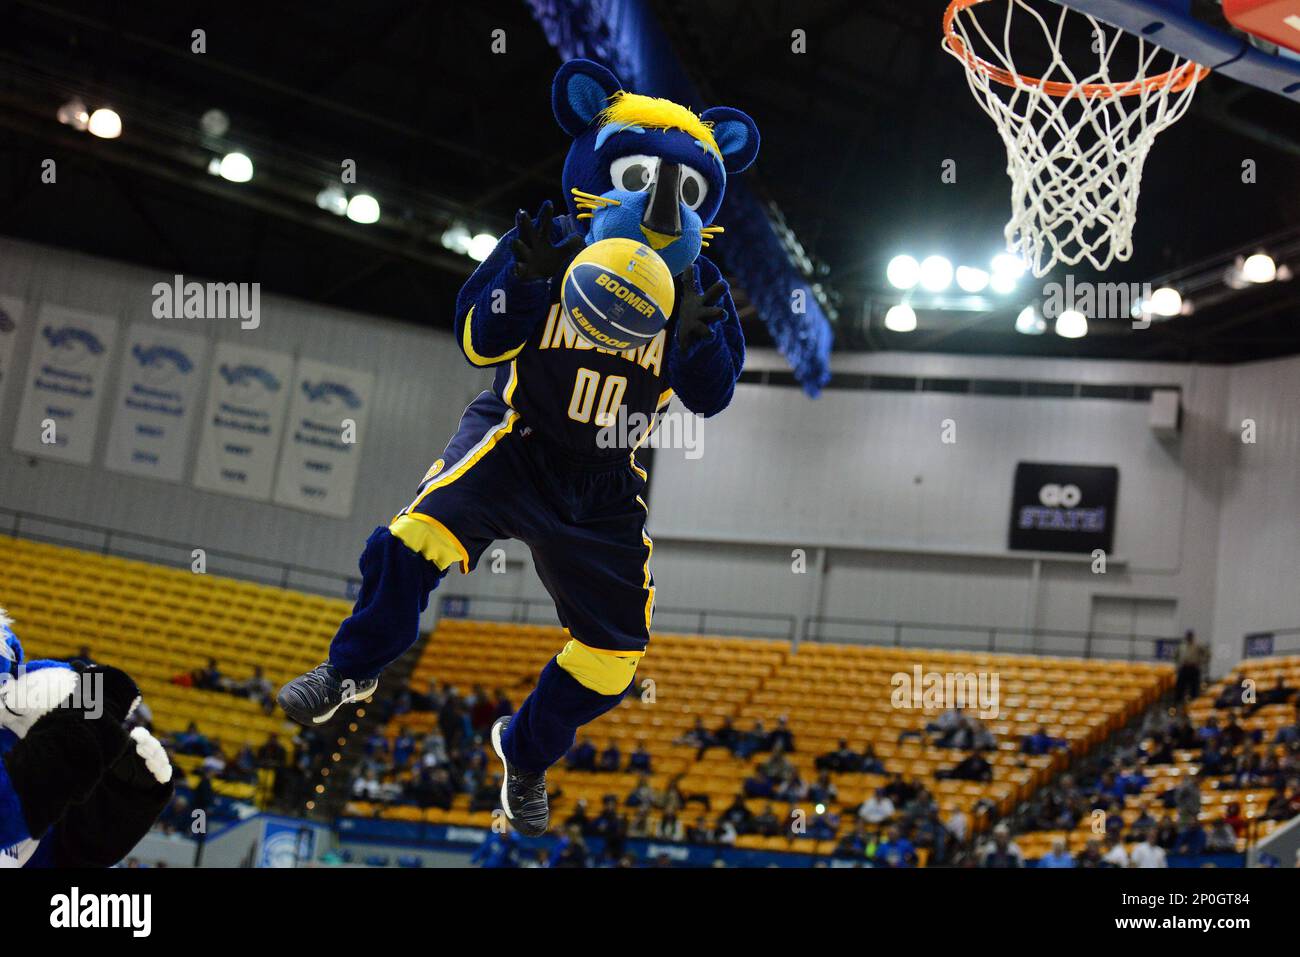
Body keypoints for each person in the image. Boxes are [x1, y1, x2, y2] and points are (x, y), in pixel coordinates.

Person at [275, 57, 760, 840]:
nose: (662, 200)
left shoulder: (698, 283)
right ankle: (353, 667)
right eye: (640, 176)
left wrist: (699, 339)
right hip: (515, 437)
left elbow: (712, 397)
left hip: (604, 479)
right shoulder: (552, 239)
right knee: (415, 538)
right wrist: (527, 288)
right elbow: (476, 337)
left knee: (614, 657)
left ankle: (525, 752)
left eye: (685, 188)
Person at [1174, 630, 1207, 702]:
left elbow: (1206, 654)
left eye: (1190, 636)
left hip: (1194, 668)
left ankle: (1193, 702)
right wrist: (1178, 664)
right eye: (1188, 636)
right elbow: (1176, 655)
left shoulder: (1198, 645)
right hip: (1184, 667)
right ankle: (1178, 702)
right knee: (1180, 686)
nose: (1189, 638)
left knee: (1194, 688)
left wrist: (1201, 662)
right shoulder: (1182, 646)